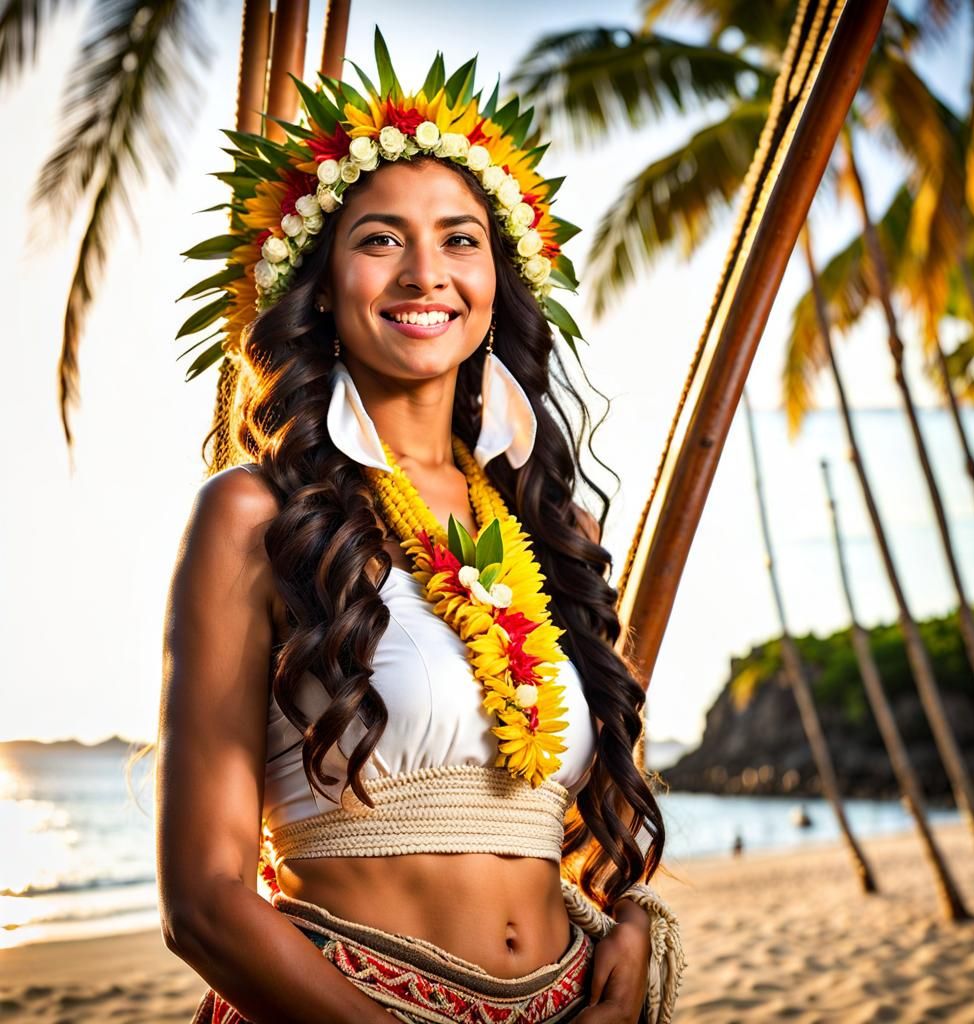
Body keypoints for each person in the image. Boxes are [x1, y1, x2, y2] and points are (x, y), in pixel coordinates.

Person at [157, 30, 681, 1024]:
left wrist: (630, 923)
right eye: (379, 237)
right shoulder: (255, 516)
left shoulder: (549, 524)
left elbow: (557, 822)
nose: (423, 272)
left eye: (459, 237)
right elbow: (206, 902)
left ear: (497, 281)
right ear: (320, 284)